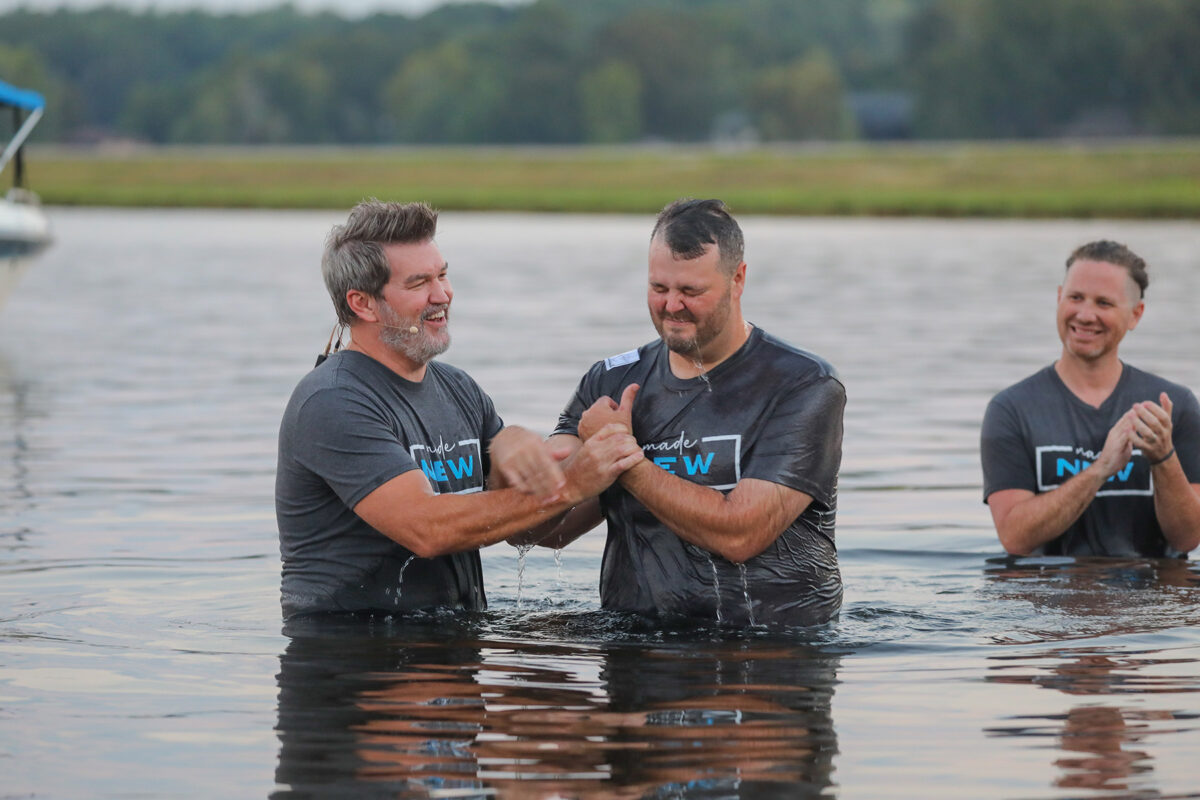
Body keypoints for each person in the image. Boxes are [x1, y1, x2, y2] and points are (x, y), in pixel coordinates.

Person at [275, 200, 641, 620]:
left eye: (443, 275)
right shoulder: (332, 401)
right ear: (363, 303)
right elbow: (426, 529)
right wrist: (573, 484)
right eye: (419, 283)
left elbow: (527, 527)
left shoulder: (459, 389)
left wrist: (615, 470)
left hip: (452, 640)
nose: (442, 295)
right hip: (349, 648)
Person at [530, 198, 846, 627]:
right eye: (659, 289)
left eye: (691, 292)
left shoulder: (803, 384)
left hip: (771, 645)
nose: (672, 306)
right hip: (636, 641)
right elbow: (541, 529)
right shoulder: (611, 382)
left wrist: (622, 457)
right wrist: (514, 457)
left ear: (738, 279)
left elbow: (741, 534)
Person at [981, 240, 1200, 557]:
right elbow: (1015, 538)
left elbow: (1188, 538)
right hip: (1047, 589)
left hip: (1150, 587)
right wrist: (1100, 469)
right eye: (1075, 298)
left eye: (1104, 303)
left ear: (1135, 315)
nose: (1085, 315)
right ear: (1059, 298)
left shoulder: (1173, 407)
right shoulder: (1011, 409)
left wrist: (1163, 458)